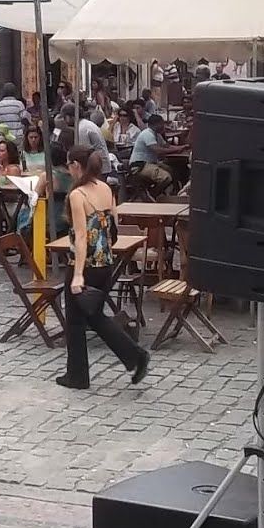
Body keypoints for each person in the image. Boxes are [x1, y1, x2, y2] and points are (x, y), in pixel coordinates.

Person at [56, 145, 150, 390]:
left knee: (76, 321)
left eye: (69, 165)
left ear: (76, 165)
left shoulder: (78, 196)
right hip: (105, 263)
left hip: (85, 265)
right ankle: (133, 357)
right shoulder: (107, 188)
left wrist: (77, 275)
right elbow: (113, 226)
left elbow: (81, 236)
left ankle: (78, 375)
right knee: (94, 316)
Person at [129, 114, 186, 196]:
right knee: (166, 178)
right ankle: (153, 194)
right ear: (157, 124)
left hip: (151, 163)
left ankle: (173, 193)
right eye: (162, 124)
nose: (164, 126)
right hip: (140, 165)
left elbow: (167, 146)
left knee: (172, 171)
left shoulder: (157, 135)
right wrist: (177, 149)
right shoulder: (147, 134)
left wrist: (182, 147)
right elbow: (158, 150)